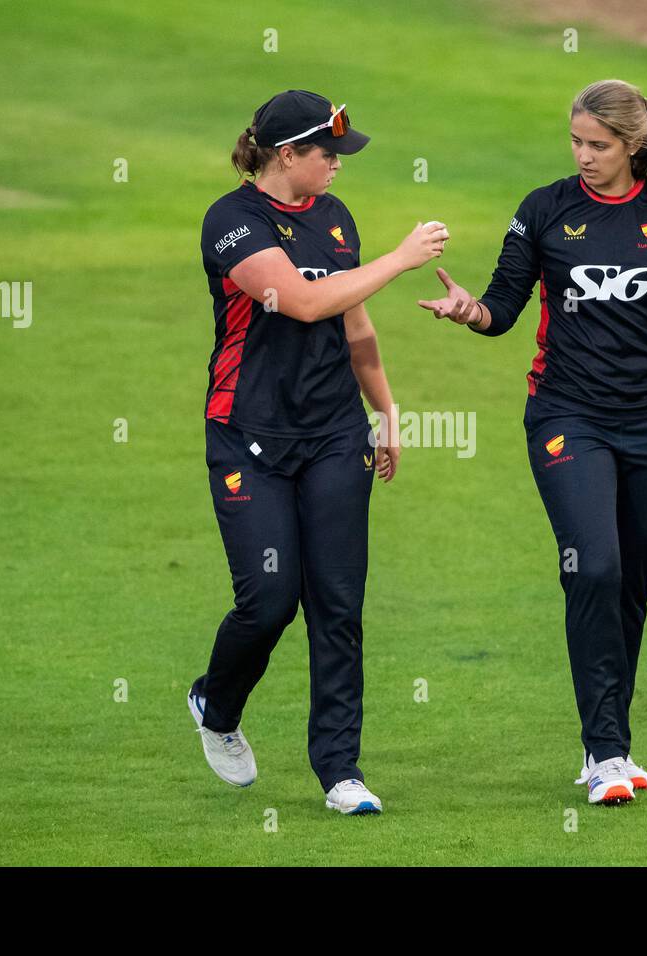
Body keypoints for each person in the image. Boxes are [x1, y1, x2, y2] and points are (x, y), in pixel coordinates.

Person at [417, 79, 647, 806]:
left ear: (633, 145)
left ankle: (609, 742)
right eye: (576, 141)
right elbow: (505, 306)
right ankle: (605, 754)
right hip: (566, 418)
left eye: (597, 145)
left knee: (630, 585)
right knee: (595, 569)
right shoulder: (545, 210)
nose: (583, 155)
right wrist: (469, 312)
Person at [191, 89, 448, 815]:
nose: (338, 164)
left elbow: (352, 324)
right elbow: (300, 302)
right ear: (286, 156)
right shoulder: (232, 223)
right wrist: (401, 259)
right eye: (326, 153)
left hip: (335, 434)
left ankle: (340, 770)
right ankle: (218, 704)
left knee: (337, 603)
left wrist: (386, 410)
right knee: (269, 602)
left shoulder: (335, 218)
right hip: (249, 437)